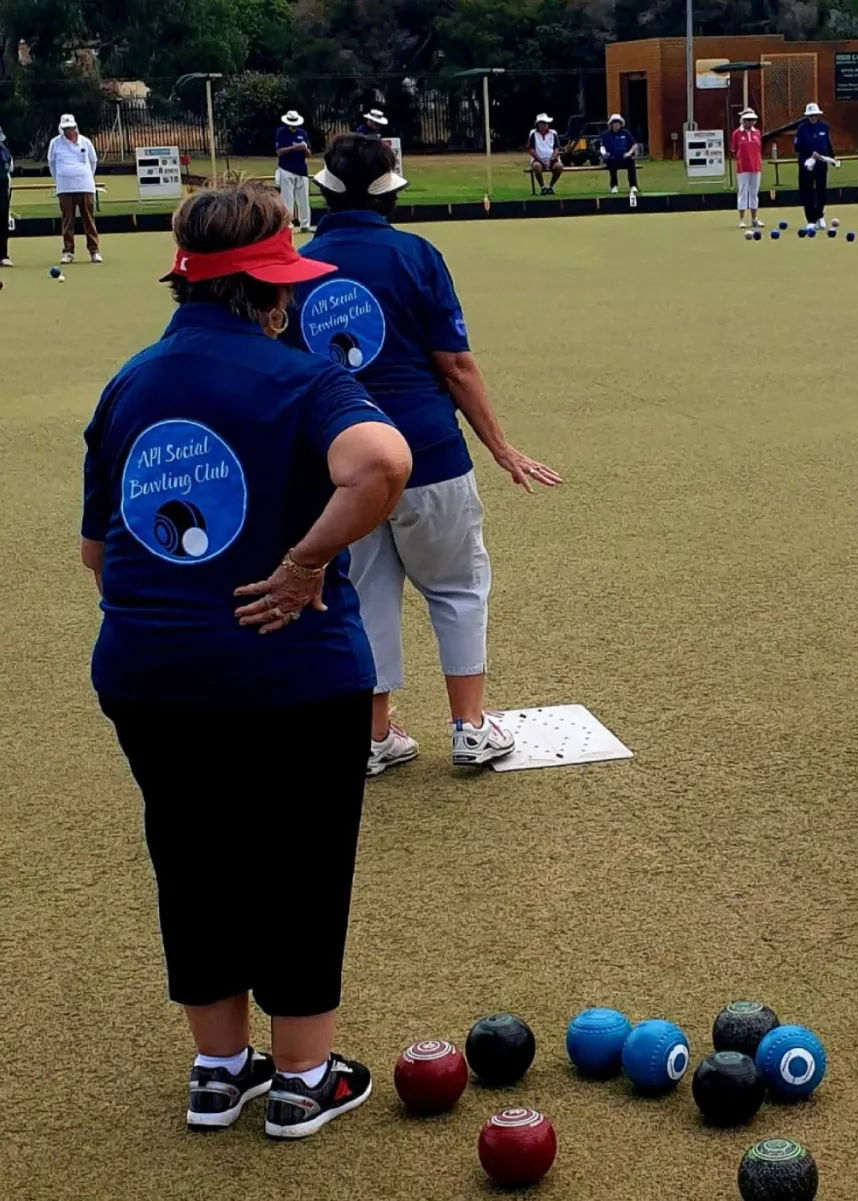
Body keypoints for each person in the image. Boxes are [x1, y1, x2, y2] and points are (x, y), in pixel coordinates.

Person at [81, 180, 413, 1137]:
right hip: (292, 672)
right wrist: (305, 561)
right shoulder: (306, 378)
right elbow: (381, 464)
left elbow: (100, 554)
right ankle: (305, 1080)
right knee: (300, 862)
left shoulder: (130, 384)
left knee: (191, 857)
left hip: (148, 672)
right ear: (270, 293)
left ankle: (219, 1072)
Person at [291, 135, 561, 774]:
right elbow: (456, 365)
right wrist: (500, 448)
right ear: (391, 194)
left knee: (364, 595)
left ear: (326, 193)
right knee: (458, 587)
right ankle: (470, 728)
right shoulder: (417, 255)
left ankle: (374, 736)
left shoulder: (299, 268)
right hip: (430, 456)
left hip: (342, 467)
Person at [48, 113, 101, 263]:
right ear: (61, 129)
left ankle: (94, 251)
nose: (68, 131)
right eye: (65, 129)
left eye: (70, 128)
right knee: (67, 221)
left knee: (88, 219)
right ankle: (68, 252)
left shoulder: (85, 142)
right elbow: (51, 164)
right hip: (64, 187)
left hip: (85, 185)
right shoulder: (55, 143)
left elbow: (93, 161)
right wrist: (60, 179)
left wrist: (86, 177)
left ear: (75, 126)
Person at [793, 102, 835, 229]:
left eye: (815, 115)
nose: (813, 117)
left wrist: (832, 158)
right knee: (807, 192)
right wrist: (811, 154)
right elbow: (797, 147)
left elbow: (828, 144)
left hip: (821, 165)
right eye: (811, 115)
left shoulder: (824, 127)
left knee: (821, 191)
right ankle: (810, 219)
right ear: (807, 116)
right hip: (806, 164)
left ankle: (820, 216)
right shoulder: (801, 129)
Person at [275, 110, 313, 233]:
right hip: (286, 169)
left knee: (303, 199)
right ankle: (288, 225)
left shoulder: (302, 133)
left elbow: (309, 154)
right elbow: (279, 151)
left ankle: (305, 224)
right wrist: (295, 147)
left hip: (301, 170)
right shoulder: (281, 132)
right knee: (287, 199)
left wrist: (304, 149)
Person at [731, 108, 763, 229]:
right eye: (747, 120)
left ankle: (754, 219)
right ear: (742, 120)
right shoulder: (736, 134)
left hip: (756, 166)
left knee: (754, 193)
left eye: (752, 120)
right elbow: (734, 150)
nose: (750, 122)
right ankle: (741, 219)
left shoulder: (757, 133)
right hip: (743, 167)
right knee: (743, 192)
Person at [600, 113, 638, 195]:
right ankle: (614, 186)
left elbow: (634, 145)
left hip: (624, 157)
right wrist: (604, 153)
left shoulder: (626, 133)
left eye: (618, 123)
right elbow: (602, 147)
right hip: (612, 157)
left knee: (631, 162)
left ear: (621, 124)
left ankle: (633, 185)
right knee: (612, 162)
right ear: (611, 124)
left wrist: (630, 152)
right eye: (614, 123)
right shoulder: (606, 135)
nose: (616, 125)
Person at [528, 114, 562, 195]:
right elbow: (532, 150)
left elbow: (556, 149)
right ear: (538, 125)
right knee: (537, 166)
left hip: (551, 159)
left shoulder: (553, 133)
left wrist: (552, 159)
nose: (545, 125)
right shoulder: (533, 133)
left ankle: (550, 187)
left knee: (559, 166)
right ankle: (542, 187)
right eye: (543, 123)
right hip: (538, 159)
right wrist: (542, 161)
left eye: (546, 123)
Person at [0, 125, 12, 267]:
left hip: (2, 190)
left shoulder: (5, 152)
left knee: (2, 223)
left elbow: (9, 170)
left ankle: (3, 256)